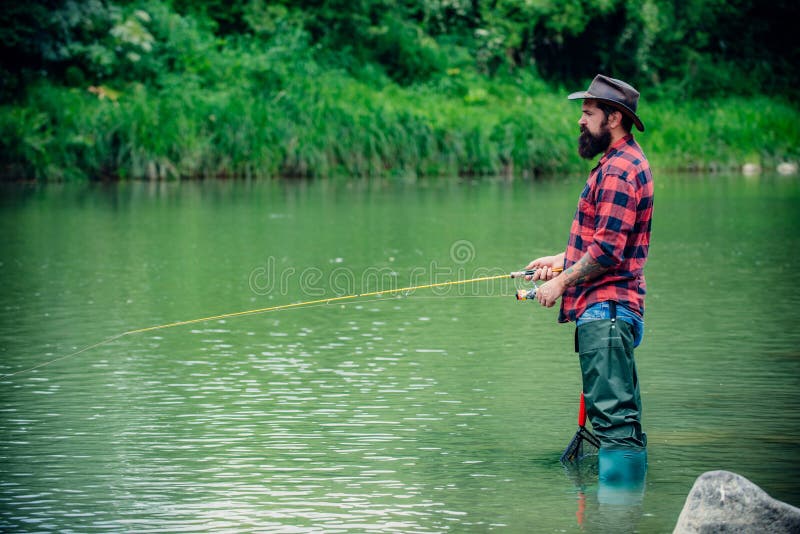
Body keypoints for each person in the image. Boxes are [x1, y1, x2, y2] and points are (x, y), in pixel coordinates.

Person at [526, 74, 653, 483]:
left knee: (616, 430)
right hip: (609, 311)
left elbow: (609, 251)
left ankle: (618, 519)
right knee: (619, 425)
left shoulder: (618, 170)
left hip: (607, 312)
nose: (580, 121)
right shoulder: (619, 163)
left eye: (588, 113)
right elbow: (603, 244)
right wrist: (559, 262)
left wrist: (560, 282)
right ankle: (623, 514)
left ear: (614, 117)